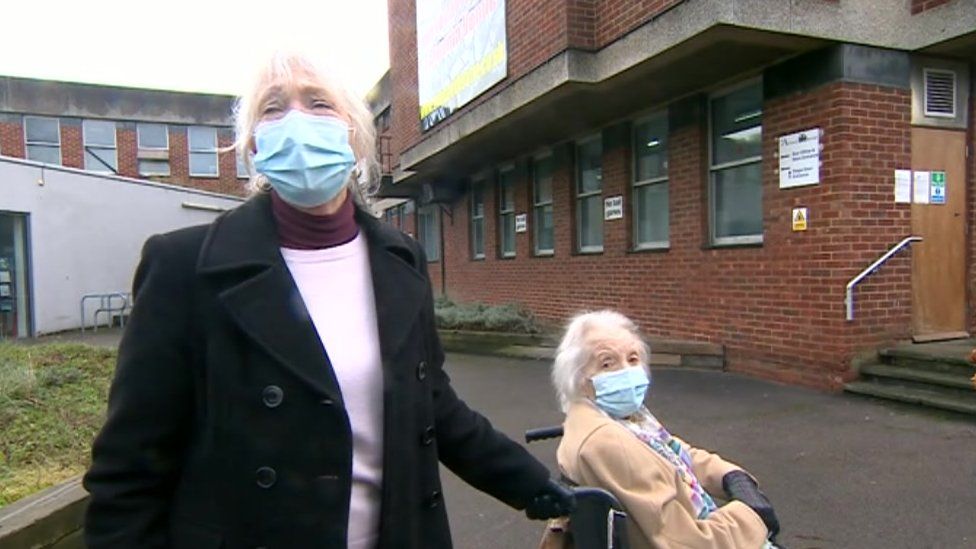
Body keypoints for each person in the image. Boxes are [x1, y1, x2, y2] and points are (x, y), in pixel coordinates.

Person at [83, 52, 573, 549]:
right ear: (253, 146)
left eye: (318, 103)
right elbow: (130, 469)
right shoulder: (184, 266)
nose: (296, 120)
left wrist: (527, 481)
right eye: (273, 109)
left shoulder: (400, 258)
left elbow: (433, 403)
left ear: (356, 137)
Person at [549, 310, 781, 549]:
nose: (626, 372)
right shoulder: (608, 442)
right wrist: (752, 516)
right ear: (577, 378)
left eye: (633, 359)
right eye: (607, 363)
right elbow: (684, 541)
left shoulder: (626, 418)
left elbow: (677, 454)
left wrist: (730, 476)